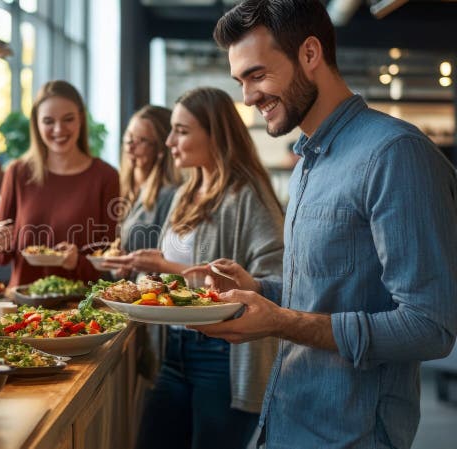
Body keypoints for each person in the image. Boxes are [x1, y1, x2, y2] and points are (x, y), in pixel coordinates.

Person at [185, 1, 457, 448]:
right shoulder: (309, 159)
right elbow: (323, 293)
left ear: (310, 54)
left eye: (257, 75)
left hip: (351, 435)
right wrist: (261, 291)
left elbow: (430, 326)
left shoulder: (395, 155)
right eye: (241, 81)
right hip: (285, 419)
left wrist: (281, 322)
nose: (248, 97)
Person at [107, 87, 284, 449]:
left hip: (223, 357)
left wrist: (167, 265)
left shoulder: (247, 196)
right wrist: (144, 270)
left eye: (182, 131)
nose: (170, 141)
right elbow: (180, 276)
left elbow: (277, 280)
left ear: (215, 134)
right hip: (175, 350)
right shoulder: (187, 192)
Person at [0, 80, 119, 287]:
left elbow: (110, 259)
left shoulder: (106, 177)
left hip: (83, 308)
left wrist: (78, 262)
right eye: (48, 121)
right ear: (36, 124)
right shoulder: (18, 173)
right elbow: (0, 256)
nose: (58, 129)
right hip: (24, 307)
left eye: (68, 119)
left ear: (81, 120)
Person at [115, 105, 182, 272]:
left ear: (161, 148)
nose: (130, 146)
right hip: (117, 289)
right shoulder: (119, 188)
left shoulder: (169, 195)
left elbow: (167, 257)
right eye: (129, 137)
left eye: (142, 140)